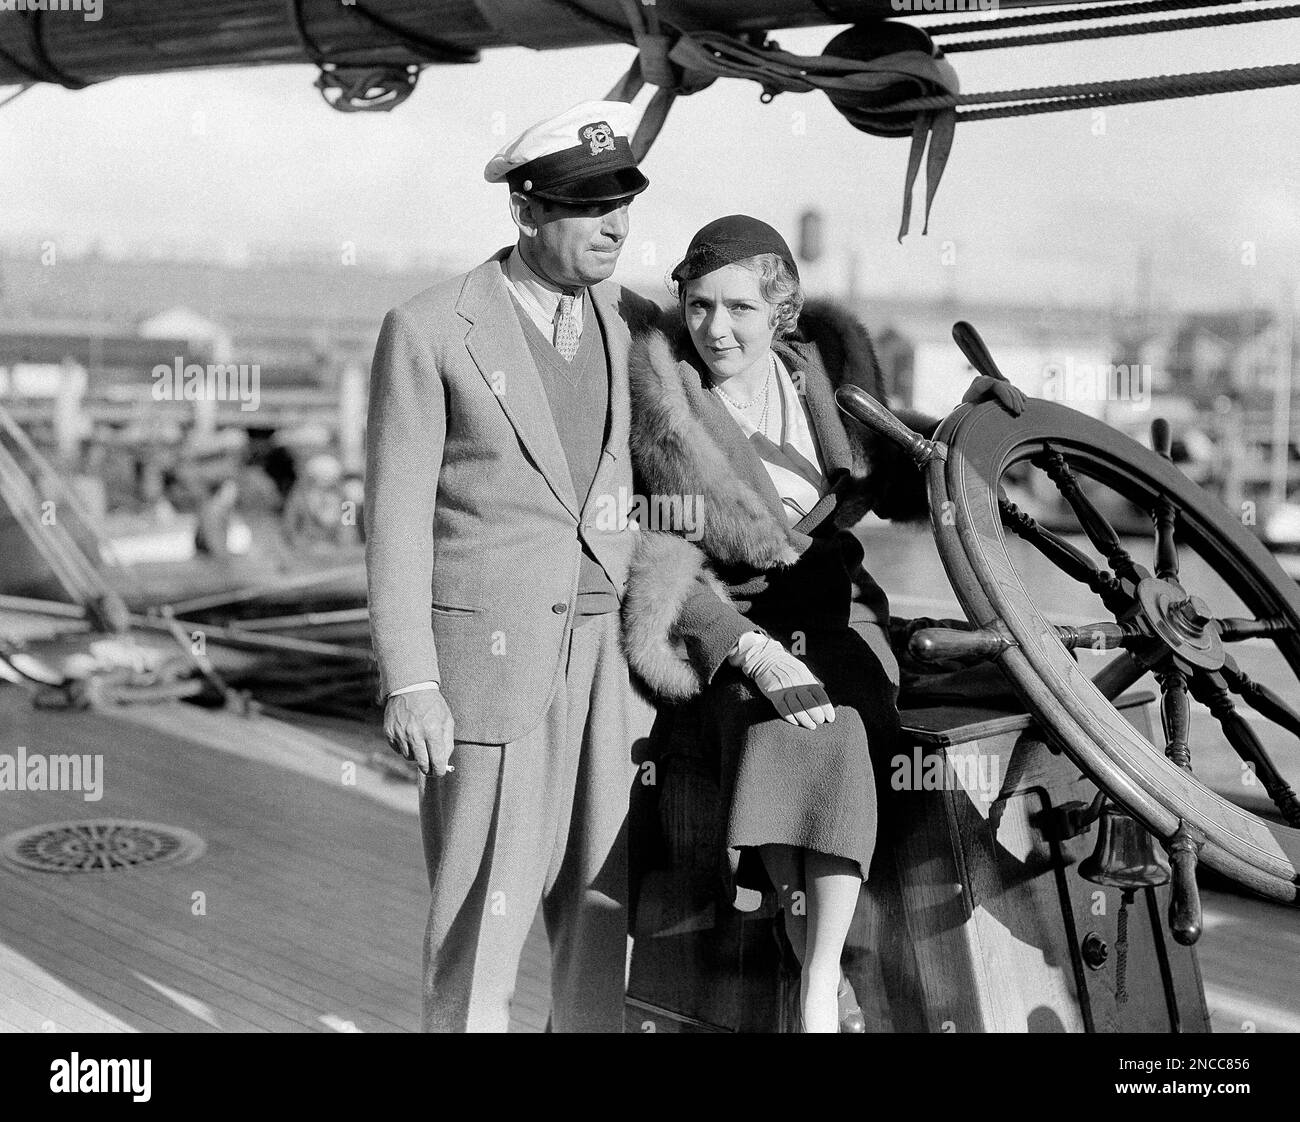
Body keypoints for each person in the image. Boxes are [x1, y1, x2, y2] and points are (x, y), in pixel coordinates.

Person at [619, 215, 1025, 1032]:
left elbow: (911, 477)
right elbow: (649, 555)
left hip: (841, 618)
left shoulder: (825, 378)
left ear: (781, 310)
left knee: (851, 722)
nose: (714, 329)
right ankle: (819, 988)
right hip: (730, 626)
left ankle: (815, 974)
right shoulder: (664, 407)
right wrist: (750, 652)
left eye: (737, 307)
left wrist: (971, 430)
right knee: (811, 736)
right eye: (698, 307)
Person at [364, 101, 659, 1033]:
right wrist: (412, 681)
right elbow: (397, 520)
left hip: (610, 666)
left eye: (625, 202)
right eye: (589, 206)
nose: (615, 224)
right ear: (526, 212)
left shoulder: (627, 319)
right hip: (486, 672)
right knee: (483, 916)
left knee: (603, 913)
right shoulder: (429, 330)